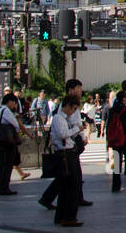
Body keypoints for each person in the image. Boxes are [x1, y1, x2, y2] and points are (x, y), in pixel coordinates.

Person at [40, 79, 93, 210]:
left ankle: (75, 198)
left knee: (71, 174)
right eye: (78, 90)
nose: (80, 93)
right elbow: (68, 127)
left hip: (72, 142)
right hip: (68, 144)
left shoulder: (72, 105)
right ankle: (57, 200)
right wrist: (79, 134)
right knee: (68, 174)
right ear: (70, 90)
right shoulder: (66, 107)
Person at [48, 94, 84, 227]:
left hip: (68, 152)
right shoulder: (59, 118)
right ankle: (68, 216)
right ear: (67, 106)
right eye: (73, 108)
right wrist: (77, 129)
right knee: (71, 187)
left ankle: (62, 216)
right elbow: (63, 134)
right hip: (64, 155)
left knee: (66, 187)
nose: (73, 112)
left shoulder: (64, 119)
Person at [105, 88, 126, 193]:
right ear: (123, 99)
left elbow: (108, 125)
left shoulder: (112, 110)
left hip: (115, 140)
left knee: (117, 163)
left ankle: (116, 186)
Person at [0, 93, 23, 195]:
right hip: (7, 141)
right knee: (7, 164)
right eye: (14, 103)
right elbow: (15, 125)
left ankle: (0, 187)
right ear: (9, 101)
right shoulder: (6, 111)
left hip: (1, 140)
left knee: (2, 164)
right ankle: (4, 187)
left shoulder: (0, 110)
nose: (15, 105)